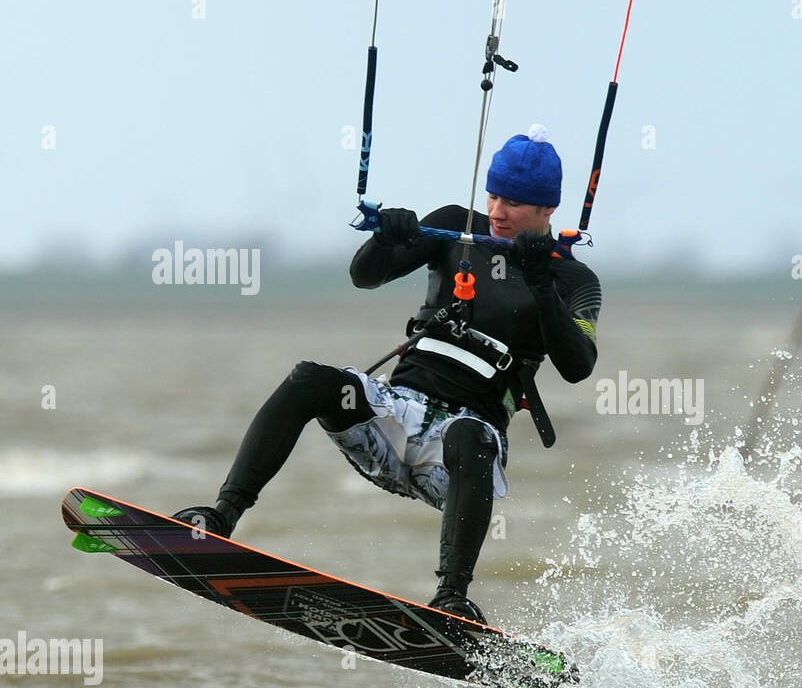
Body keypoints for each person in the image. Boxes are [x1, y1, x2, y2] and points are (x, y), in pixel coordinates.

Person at [174, 126, 601, 624]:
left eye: (516, 202)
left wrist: (540, 285)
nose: (499, 211)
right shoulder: (454, 227)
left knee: (469, 434)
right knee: (310, 377)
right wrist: (387, 237)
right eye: (494, 194)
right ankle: (219, 518)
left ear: (547, 209)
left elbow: (578, 365)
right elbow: (365, 275)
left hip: (459, 452)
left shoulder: (574, 279)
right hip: (390, 417)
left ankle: (451, 598)